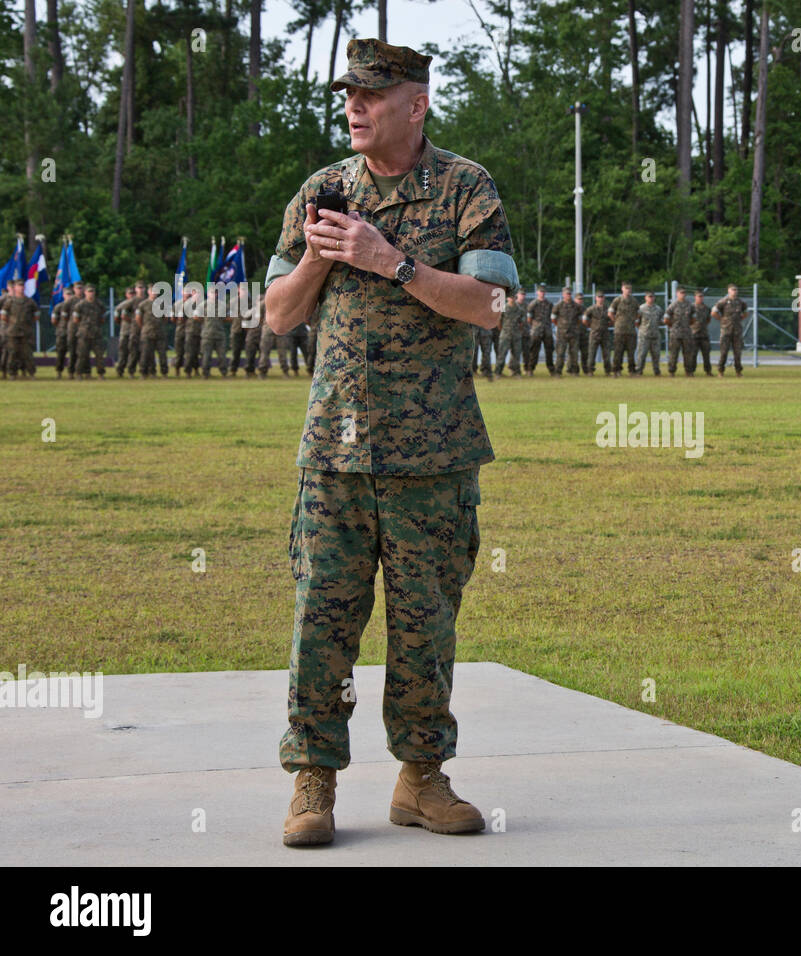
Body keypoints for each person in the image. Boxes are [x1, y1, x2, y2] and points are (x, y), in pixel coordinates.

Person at [262, 38, 517, 848]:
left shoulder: (464, 186)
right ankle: (314, 780)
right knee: (322, 621)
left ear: (418, 104)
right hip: (336, 451)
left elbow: (492, 306)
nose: (355, 107)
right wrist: (316, 259)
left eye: (374, 94)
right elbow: (277, 315)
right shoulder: (324, 188)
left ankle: (421, 778)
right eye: (350, 94)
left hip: (432, 452)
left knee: (425, 623)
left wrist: (391, 261)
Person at [712, 283, 747, 375]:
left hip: (737, 331)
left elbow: (746, 313)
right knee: (724, 352)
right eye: (733, 290)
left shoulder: (740, 302)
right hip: (726, 331)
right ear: (728, 291)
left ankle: (738, 371)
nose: (735, 292)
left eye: (736, 290)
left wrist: (740, 318)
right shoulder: (723, 301)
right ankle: (721, 371)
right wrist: (722, 319)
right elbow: (713, 312)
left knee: (737, 353)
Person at [635, 291, 663, 375]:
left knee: (656, 354)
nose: (651, 298)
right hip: (644, 335)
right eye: (649, 297)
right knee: (642, 354)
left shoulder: (658, 309)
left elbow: (661, 320)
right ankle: (639, 371)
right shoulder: (641, 308)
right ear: (645, 298)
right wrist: (642, 329)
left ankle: (656, 371)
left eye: (652, 297)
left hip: (655, 335)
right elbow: (637, 321)